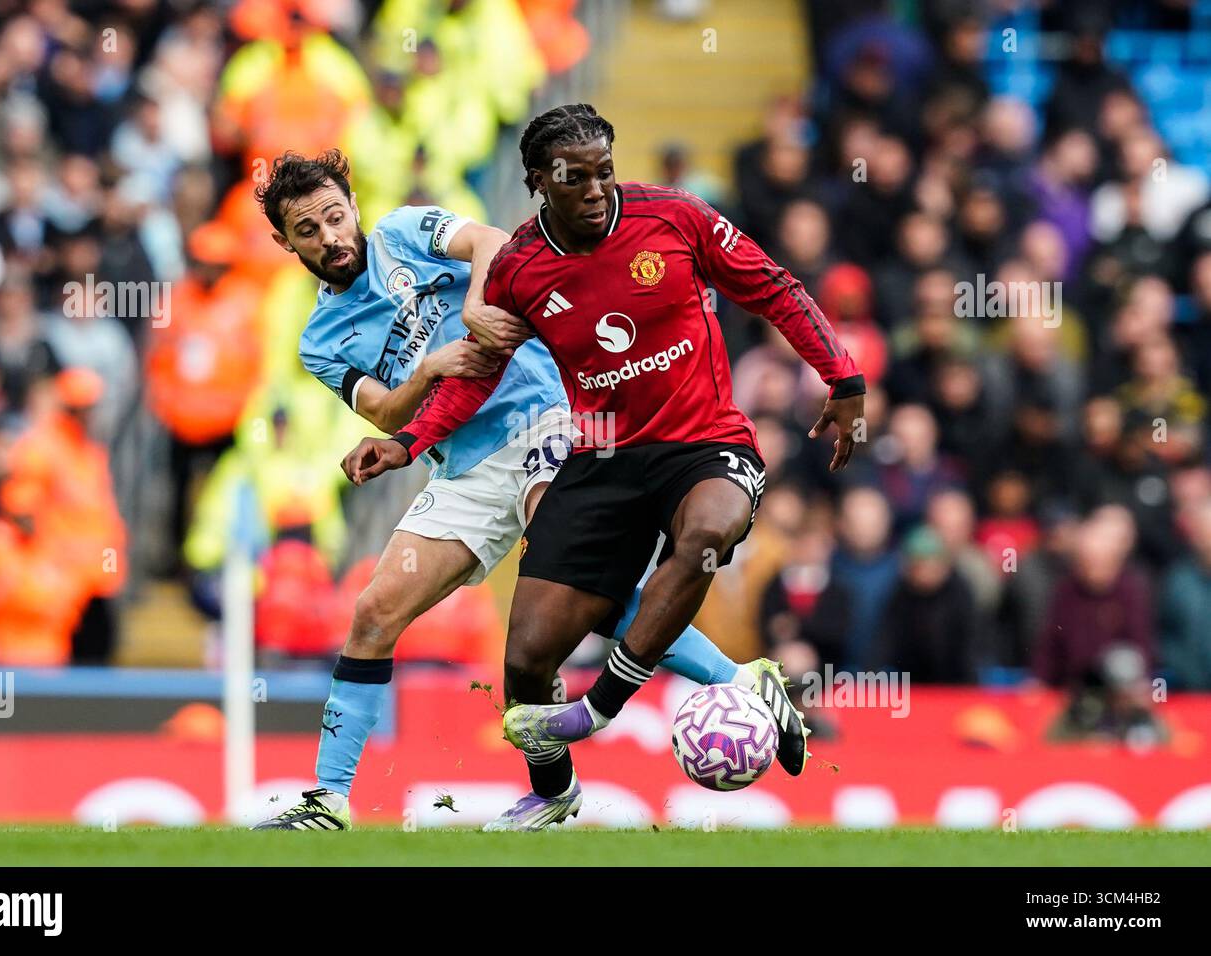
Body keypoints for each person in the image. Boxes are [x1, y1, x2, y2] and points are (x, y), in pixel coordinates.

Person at [250, 149, 805, 832]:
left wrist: (479, 307)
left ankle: (734, 682)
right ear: (285, 241)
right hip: (464, 465)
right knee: (372, 614)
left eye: (335, 216)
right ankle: (330, 801)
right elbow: (388, 414)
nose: (330, 238)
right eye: (308, 231)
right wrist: (431, 369)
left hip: (544, 412)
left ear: (354, 204)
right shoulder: (320, 338)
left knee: (578, 590)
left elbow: (489, 242)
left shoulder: (403, 232)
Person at [345, 104, 864, 782]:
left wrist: (843, 376)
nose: (595, 192)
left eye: (604, 174)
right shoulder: (519, 269)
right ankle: (554, 794)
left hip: (704, 444)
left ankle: (598, 709)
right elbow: (478, 373)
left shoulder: (675, 219)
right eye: (575, 179)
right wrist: (409, 442)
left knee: (706, 532)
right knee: (528, 657)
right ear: (537, 181)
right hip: (604, 458)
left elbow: (774, 287)